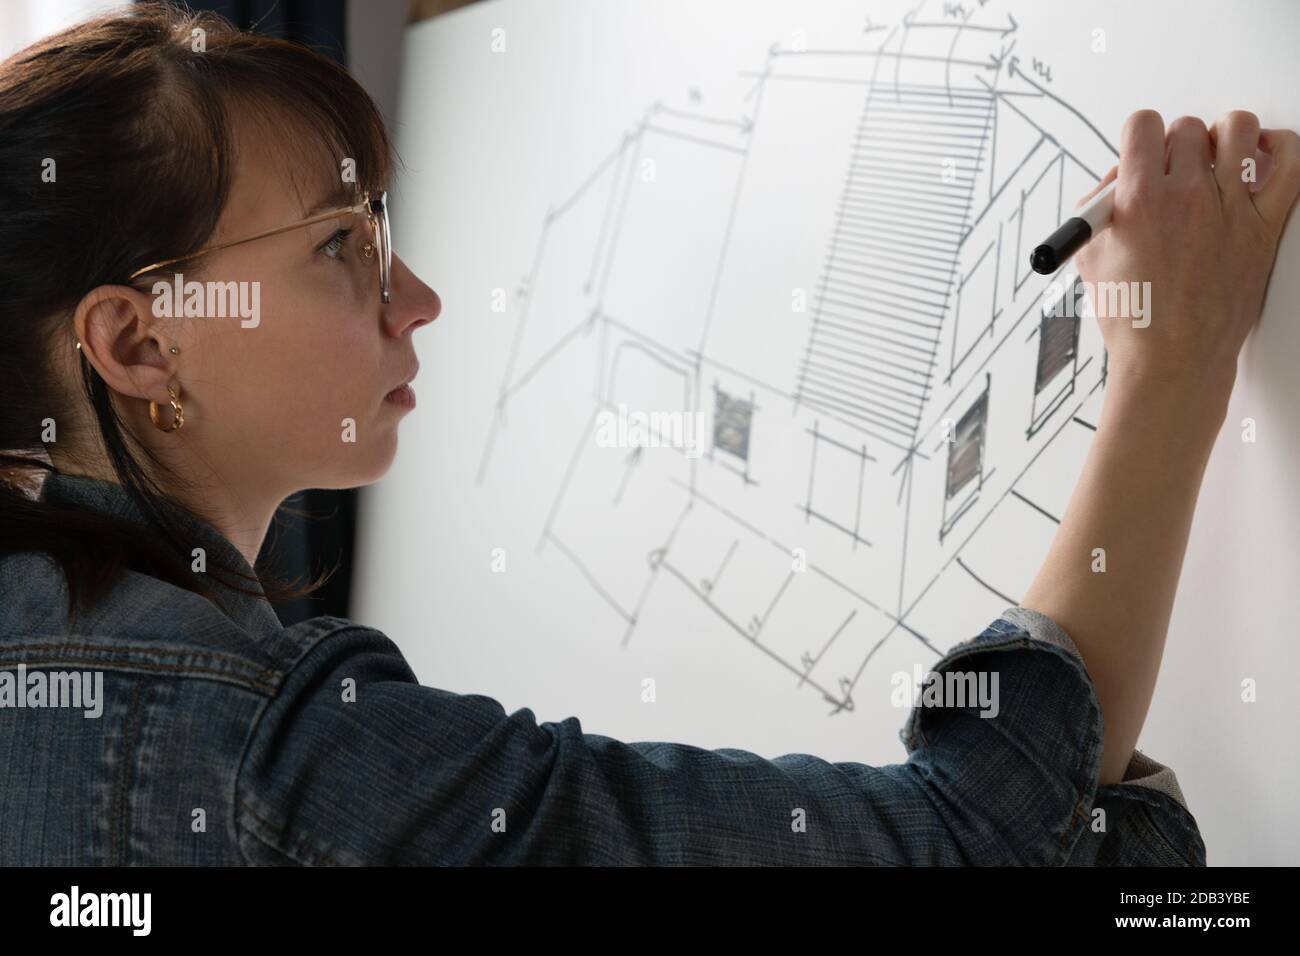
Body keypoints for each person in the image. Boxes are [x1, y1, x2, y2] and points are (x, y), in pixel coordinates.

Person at [1, 4, 1296, 866]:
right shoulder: (289, 758)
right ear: (139, 345)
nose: (419, 301)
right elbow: (973, 838)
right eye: (341, 247)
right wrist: (1168, 361)